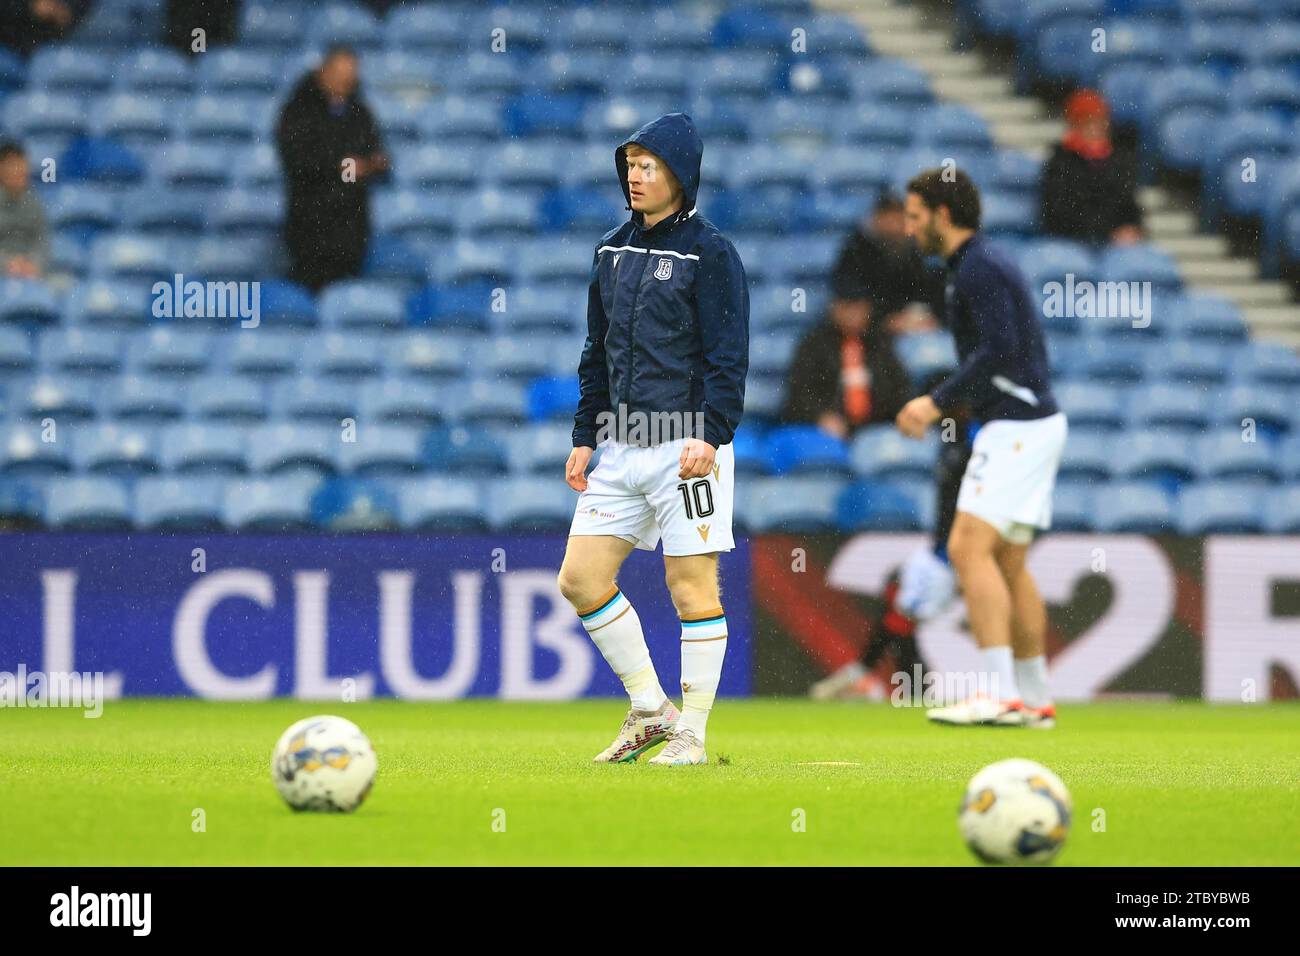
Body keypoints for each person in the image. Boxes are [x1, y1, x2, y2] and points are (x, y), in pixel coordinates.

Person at [558, 112, 749, 766]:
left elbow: (729, 355)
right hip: (622, 443)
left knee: (691, 585)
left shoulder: (711, 252)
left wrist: (712, 432)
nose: (636, 176)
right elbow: (597, 351)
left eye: (650, 166)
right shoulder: (610, 250)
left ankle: (692, 734)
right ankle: (649, 708)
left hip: (685, 447)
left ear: (680, 174)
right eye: (631, 164)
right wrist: (586, 434)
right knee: (580, 579)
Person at [895, 167, 1067, 729]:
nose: (908, 226)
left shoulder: (977, 269)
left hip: (1016, 424)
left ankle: (998, 693)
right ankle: (1036, 699)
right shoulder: (977, 264)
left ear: (943, 216)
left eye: (916, 216)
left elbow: (998, 350)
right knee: (1010, 563)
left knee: (969, 549)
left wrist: (934, 401)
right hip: (1031, 422)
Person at [810, 372, 969, 701]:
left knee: (904, 612)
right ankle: (908, 687)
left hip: (957, 552)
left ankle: (877, 679)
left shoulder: (971, 443)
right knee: (901, 610)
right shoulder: (952, 443)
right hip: (941, 549)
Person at [275, 45, 388, 292]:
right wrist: (343, 167)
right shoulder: (298, 112)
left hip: (351, 230)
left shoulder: (361, 114)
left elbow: (378, 158)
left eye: (350, 75)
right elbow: (296, 160)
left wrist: (373, 165)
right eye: (340, 74)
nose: (345, 81)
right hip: (310, 225)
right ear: (323, 73)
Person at [779, 273, 912, 438]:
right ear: (834, 308)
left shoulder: (880, 344)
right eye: (848, 307)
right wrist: (820, 417)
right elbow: (798, 395)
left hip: (875, 430)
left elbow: (899, 389)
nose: (854, 315)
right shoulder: (813, 345)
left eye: (859, 308)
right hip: (828, 432)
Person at [1039, 89, 1142, 246]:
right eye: (1088, 122)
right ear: (1075, 125)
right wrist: (1105, 232)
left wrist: (1130, 228)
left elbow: (1129, 205)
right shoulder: (1061, 162)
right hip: (1074, 241)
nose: (1096, 129)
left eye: (1100, 122)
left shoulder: (1118, 160)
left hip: (1113, 242)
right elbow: (1057, 212)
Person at [830, 192, 941, 333]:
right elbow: (850, 304)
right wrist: (887, 321)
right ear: (877, 219)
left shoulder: (919, 251)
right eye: (889, 216)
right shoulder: (856, 252)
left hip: (919, 330)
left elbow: (934, 294)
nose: (894, 224)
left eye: (899, 216)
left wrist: (930, 317)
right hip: (872, 335)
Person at [0, 141, 50, 279]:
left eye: (22, 165)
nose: (19, 170)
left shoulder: (34, 203)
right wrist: (8, 264)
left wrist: (32, 264)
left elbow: (43, 242)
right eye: (12, 165)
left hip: (31, 272)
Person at [0, 0, 90, 56]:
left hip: (58, 49)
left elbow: (76, 9)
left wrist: (64, 10)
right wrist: (30, 6)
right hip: (9, 47)